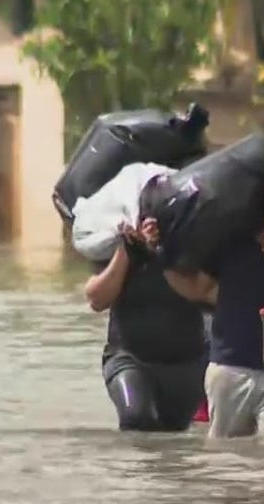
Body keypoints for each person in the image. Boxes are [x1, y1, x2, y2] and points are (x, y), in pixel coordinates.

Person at [164, 166, 264, 439]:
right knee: (228, 460)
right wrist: (162, 261)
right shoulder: (232, 243)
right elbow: (197, 288)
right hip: (230, 370)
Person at [78, 166, 208, 432]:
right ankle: (130, 475)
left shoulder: (194, 247)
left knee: (171, 442)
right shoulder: (120, 243)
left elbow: (211, 295)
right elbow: (96, 299)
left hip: (186, 365)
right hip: (130, 359)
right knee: (136, 419)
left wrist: (165, 255)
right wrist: (130, 252)